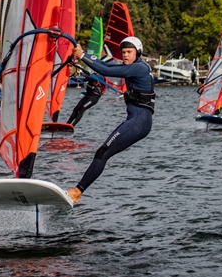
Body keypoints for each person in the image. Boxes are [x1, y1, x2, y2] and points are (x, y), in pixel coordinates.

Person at [66, 36, 155, 203]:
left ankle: (77, 192)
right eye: (123, 53)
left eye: (129, 52)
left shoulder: (140, 68)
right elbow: (106, 65)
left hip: (139, 122)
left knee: (102, 152)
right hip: (136, 121)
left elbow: (107, 71)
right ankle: (77, 191)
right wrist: (83, 55)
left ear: (138, 53)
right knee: (102, 152)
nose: (126, 55)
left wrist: (82, 56)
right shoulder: (132, 66)